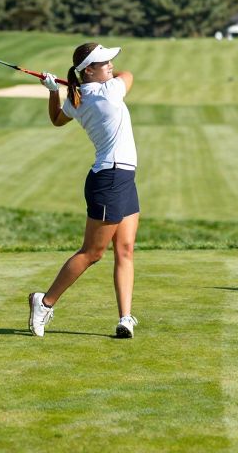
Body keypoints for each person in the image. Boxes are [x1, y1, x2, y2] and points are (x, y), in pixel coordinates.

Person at [29, 43, 140, 339]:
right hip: (111, 178)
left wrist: (55, 90)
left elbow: (56, 119)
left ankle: (125, 318)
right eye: (105, 63)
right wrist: (73, 86)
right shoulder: (108, 91)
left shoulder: (79, 99)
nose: (112, 66)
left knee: (125, 249)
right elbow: (129, 75)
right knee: (93, 253)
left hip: (122, 176)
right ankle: (45, 301)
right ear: (89, 69)